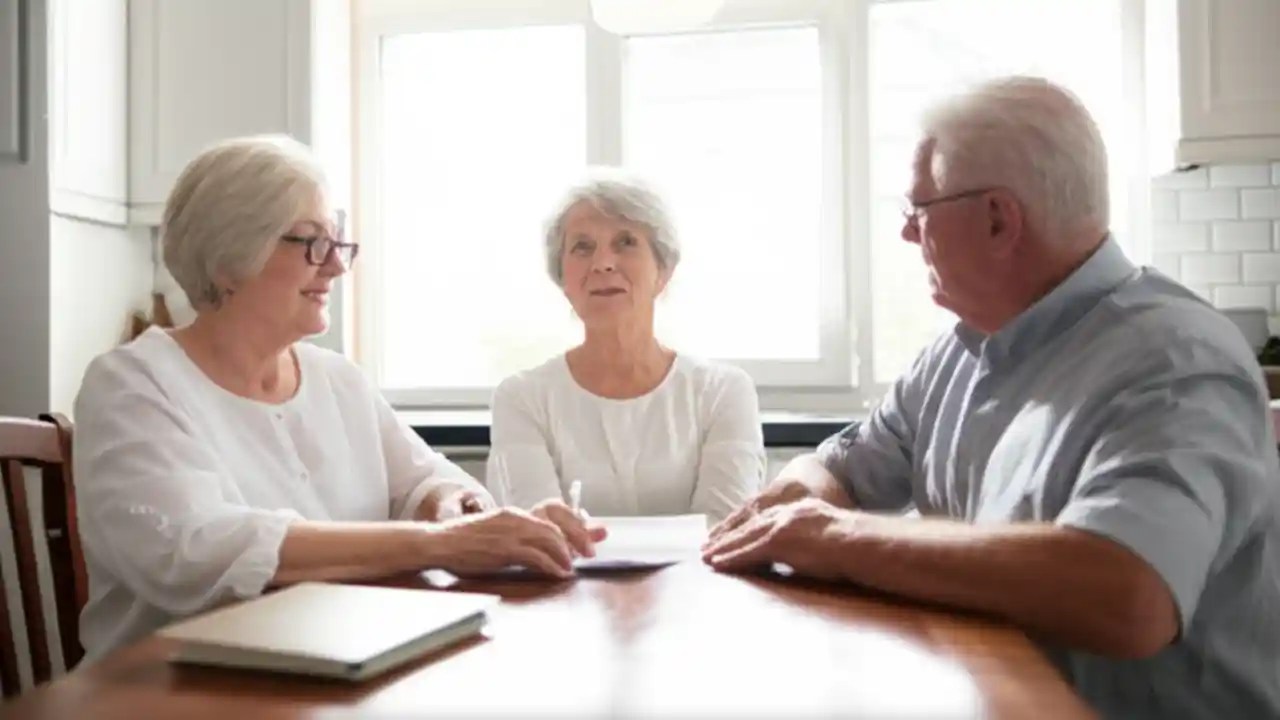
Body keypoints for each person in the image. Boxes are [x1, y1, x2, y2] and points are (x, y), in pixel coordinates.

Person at [702, 77, 1280, 719]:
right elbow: (841, 466)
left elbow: (1130, 595)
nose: (905, 236)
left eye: (917, 213)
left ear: (998, 219)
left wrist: (835, 538)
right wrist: (800, 495)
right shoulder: (958, 350)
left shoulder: (1177, 360)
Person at [73, 136, 600, 659]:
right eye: (310, 243)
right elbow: (196, 548)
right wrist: (442, 544)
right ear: (228, 260)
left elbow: (426, 481)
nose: (336, 267)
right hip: (164, 695)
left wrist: (456, 512)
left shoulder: (337, 380)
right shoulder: (133, 384)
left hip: (331, 671)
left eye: (336, 242)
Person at [488, 171, 765, 525]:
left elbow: (722, 529)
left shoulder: (723, 391)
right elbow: (542, 535)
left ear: (662, 271)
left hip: (696, 580)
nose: (603, 263)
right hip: (565, 581)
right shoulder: (521, 398)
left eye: (625, 243)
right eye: (582, 247)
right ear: (563, 279)